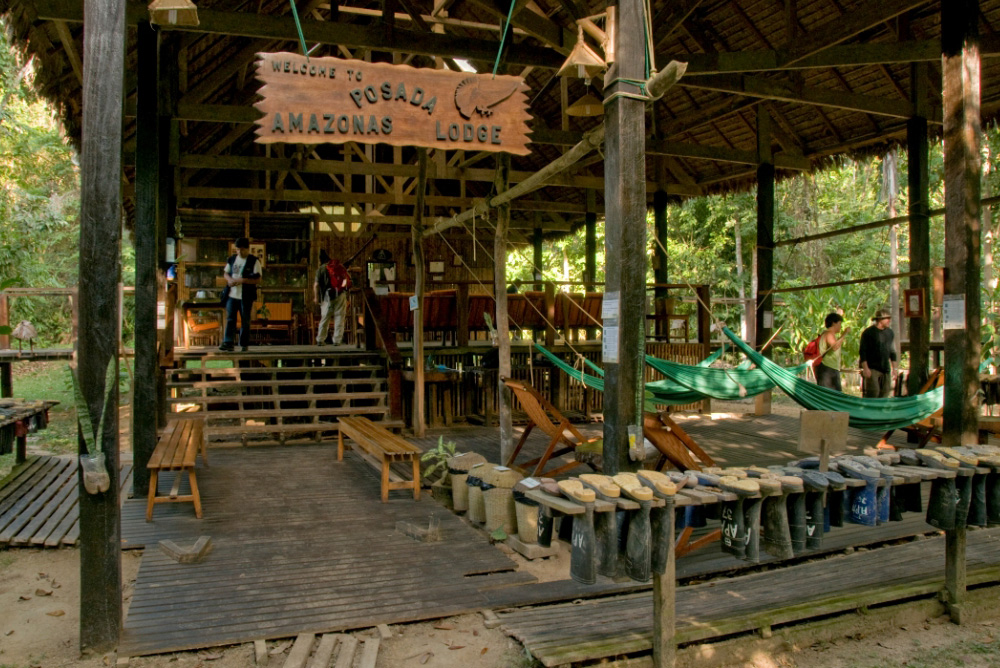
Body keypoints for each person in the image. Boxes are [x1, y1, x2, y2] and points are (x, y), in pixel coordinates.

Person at [220, 237, 261, 352]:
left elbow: (258, 279)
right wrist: (229, 280)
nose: (240, 252)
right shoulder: (232, 259)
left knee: (245, 320)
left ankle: (243, 343)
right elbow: (225, 273)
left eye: (242, 249)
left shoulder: (254, 261)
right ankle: (228, 342)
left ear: (247, 249)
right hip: (232, 295)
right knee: (230, 319)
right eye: (238, 249)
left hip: (246, 295)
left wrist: (242, 280)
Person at [314, 249, 352, 346]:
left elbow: (316, 285)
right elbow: (347, 281)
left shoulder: (320, 269)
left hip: (327, 296)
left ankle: (320, 339)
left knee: (325, 318)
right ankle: (337, 340)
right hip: (340, 294)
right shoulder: (339, 267)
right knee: (339, 317)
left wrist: (316, 297)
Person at [859, 308, 897, 398]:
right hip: (872, 368)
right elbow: (862, 351)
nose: (889, 321)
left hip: (885, 368)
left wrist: (895, 368)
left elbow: (892, 351)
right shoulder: (868, 333)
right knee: (873, 392)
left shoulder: (890, 333)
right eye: (887, 318)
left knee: (885, 392)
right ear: (880, 319)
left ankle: (882, 408)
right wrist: (865, 368)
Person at [815, 312, 849, 392]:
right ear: (834, 323)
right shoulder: (828, 334)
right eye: (839, 324)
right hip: (827, 368)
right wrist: (844, 333)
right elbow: (835, 347)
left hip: (832, 368)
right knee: (828, 394)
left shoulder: (830, 334)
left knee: (836, 394)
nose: (840, 327)